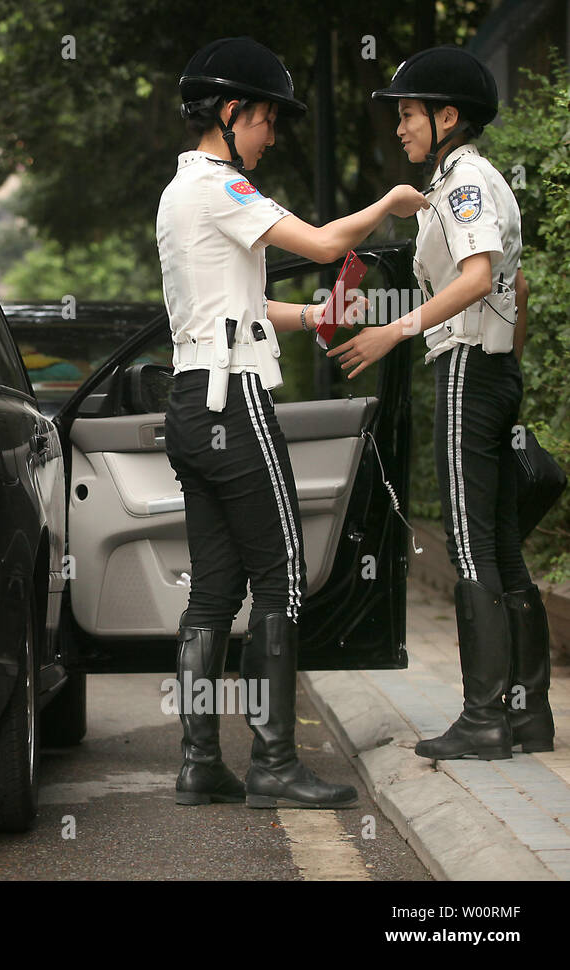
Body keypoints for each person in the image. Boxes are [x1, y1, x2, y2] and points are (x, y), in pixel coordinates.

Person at [158, 36, 429, 808]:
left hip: (191, 403)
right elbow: (317, 242)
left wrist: (312, 315)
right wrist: (389, 204)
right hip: (235, 401)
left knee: (213, 593)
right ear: (232, 112)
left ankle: (198, 762)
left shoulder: (182, 194)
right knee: (282, 576)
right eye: (267, 120)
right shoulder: (221, 187)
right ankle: (275, 764)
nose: (271, 136)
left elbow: (235, 303)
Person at [328, 47, 551, 760]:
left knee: (468, 542)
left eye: (408, 113)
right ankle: (526, 715)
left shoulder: (464, 182)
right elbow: (517, 293)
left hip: (465, 368)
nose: (399, 128)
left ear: (447, 117)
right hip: (489, 370)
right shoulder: (473, 182)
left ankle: (484, 719)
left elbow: (481, 277)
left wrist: (395, 330)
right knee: (497, 545)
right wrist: (505, 376)